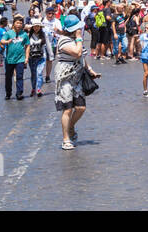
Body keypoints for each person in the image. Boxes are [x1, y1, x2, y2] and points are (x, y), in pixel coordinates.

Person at [53, 15, 97, 150]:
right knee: (67, 108)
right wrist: (79, 38)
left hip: (77, 75)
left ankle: (70, 126)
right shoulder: (63, 40)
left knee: (80, 107)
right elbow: (77, 53)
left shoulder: (76, 40)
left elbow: (82, 56)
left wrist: (90, 70)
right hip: (65, 75)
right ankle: (66, 138)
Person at [1, 16, 31, 99]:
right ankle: (8, 93)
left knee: (19, 76)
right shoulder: (8, 33)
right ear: (14, 23)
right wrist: (7, 41)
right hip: (9, 59)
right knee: (8, 77)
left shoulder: (24, 34)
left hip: (20, 59)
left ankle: (19, 93)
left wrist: (26, 58)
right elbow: (2, 41)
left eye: (21, 23)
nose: (19, 25)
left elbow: (27, 45)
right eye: (17, 23)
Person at [27, 18, 48, 97]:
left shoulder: (43, 35)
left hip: (41, 56)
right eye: (35, 26)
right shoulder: (29, 35)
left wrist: (51, 55)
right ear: (32, 27)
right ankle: (33, 88)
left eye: (38, 26)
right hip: (31, 57)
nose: (36, 28)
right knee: (33, 74)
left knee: (39, 73)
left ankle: (39, 89)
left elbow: (48, 45)